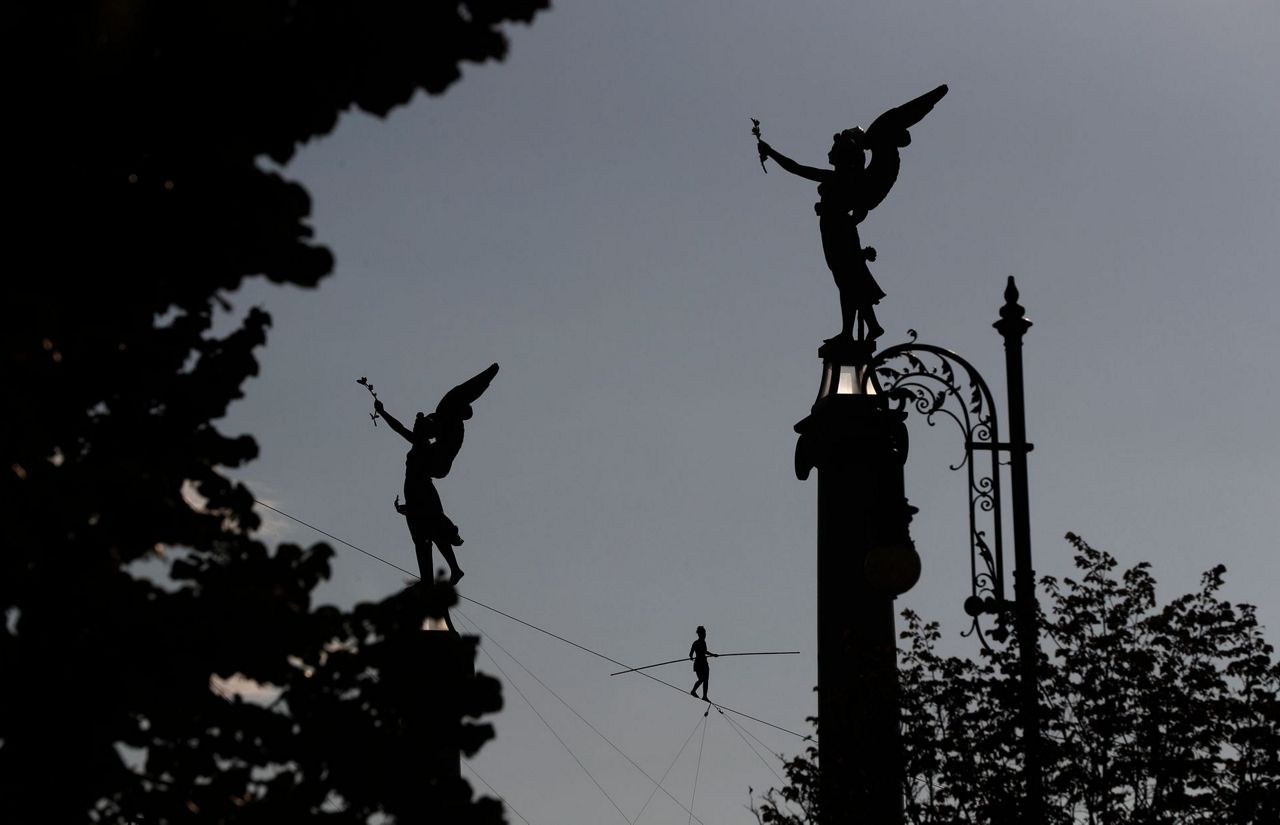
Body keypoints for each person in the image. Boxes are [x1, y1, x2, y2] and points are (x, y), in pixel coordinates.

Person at [373, 363, 499, 586]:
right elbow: (400, 427)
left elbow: (401, 428)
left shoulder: (429, 443)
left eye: (424, 423)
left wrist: (384, 413)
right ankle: (433, 578)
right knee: (422, 536)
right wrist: (382, 412)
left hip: (421, 490)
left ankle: (450, 570)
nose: (421, 422)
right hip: (414, 491)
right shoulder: (422, 443)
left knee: (430, 530)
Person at [689, 625, 718, 700]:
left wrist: (713, 655)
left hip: (702, 663)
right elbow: (693, 653)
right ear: (700, 634)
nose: (704, 635)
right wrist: (713, 655)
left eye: (705, 634)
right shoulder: (698, 643)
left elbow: (702, 652)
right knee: (702, 679)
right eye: (703, 634)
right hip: (700, 664)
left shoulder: (699, 642)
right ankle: (694, 691)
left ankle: (704, 696)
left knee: (705, 680)